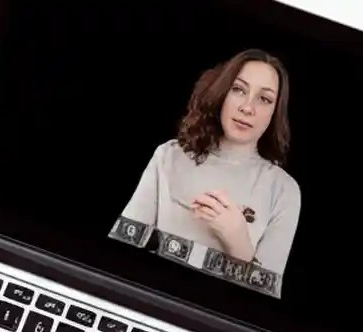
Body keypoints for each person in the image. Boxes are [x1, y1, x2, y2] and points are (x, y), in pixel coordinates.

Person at [111, 49, 301, 297]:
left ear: (275, 112)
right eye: (238, 89)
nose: (247, 107)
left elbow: (266, 305)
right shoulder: (169, 156)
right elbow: (118, 253)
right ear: (222, 93)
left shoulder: (284, 190)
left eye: (264, 99)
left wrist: (238, 242)